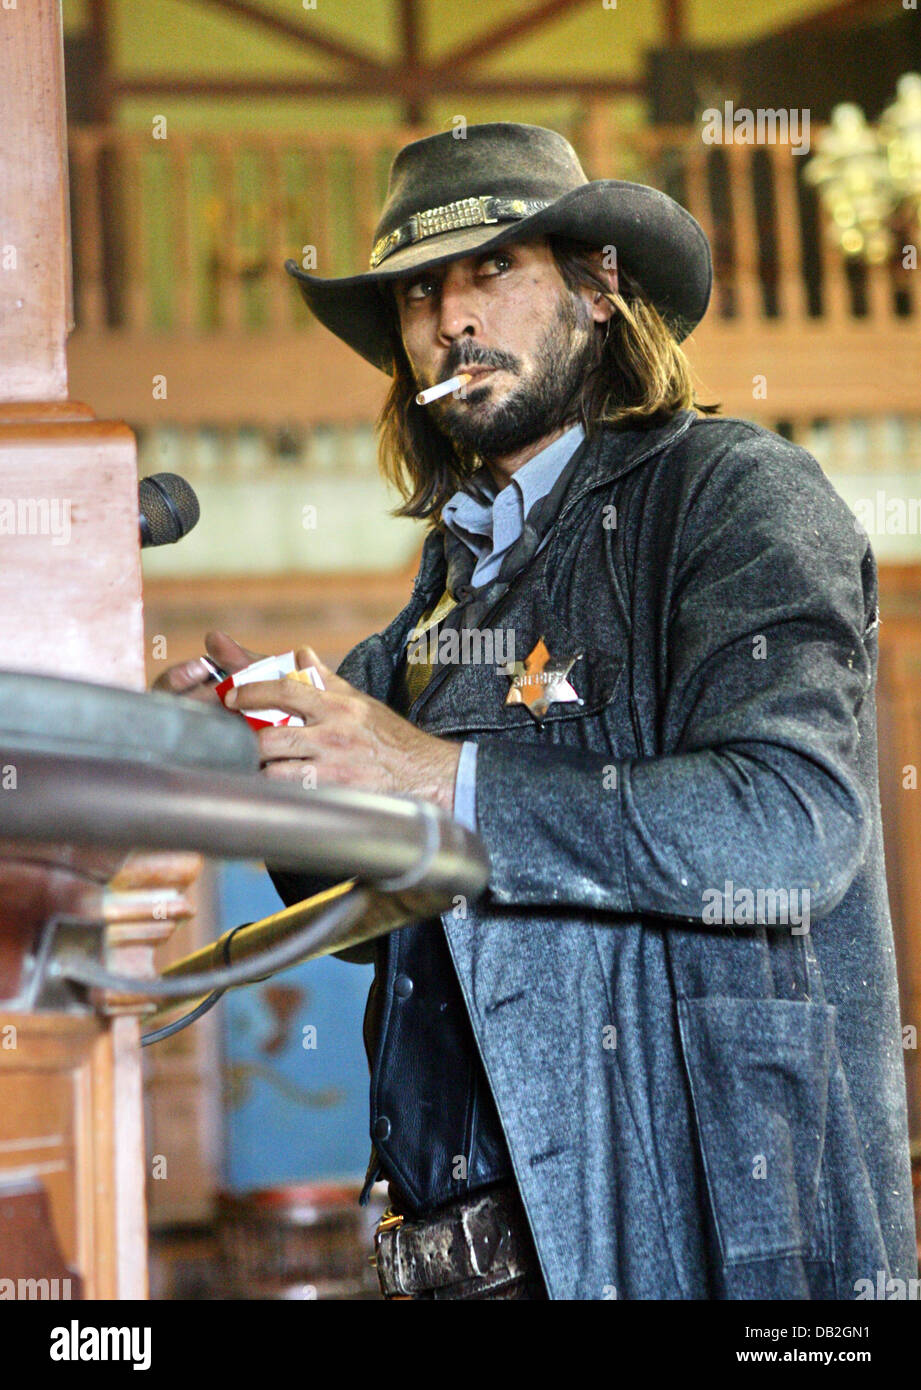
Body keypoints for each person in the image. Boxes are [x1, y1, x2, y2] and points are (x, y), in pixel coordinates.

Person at [158, 123, 916, 1300]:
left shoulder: (732, 495)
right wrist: (255, 751)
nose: (451, 319)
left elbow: (793, 821)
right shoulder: (439, 605)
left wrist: (434, 775)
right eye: (418, 293)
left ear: (602, 286)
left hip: (712, 1258)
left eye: (489, 270)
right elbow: (381, 916)